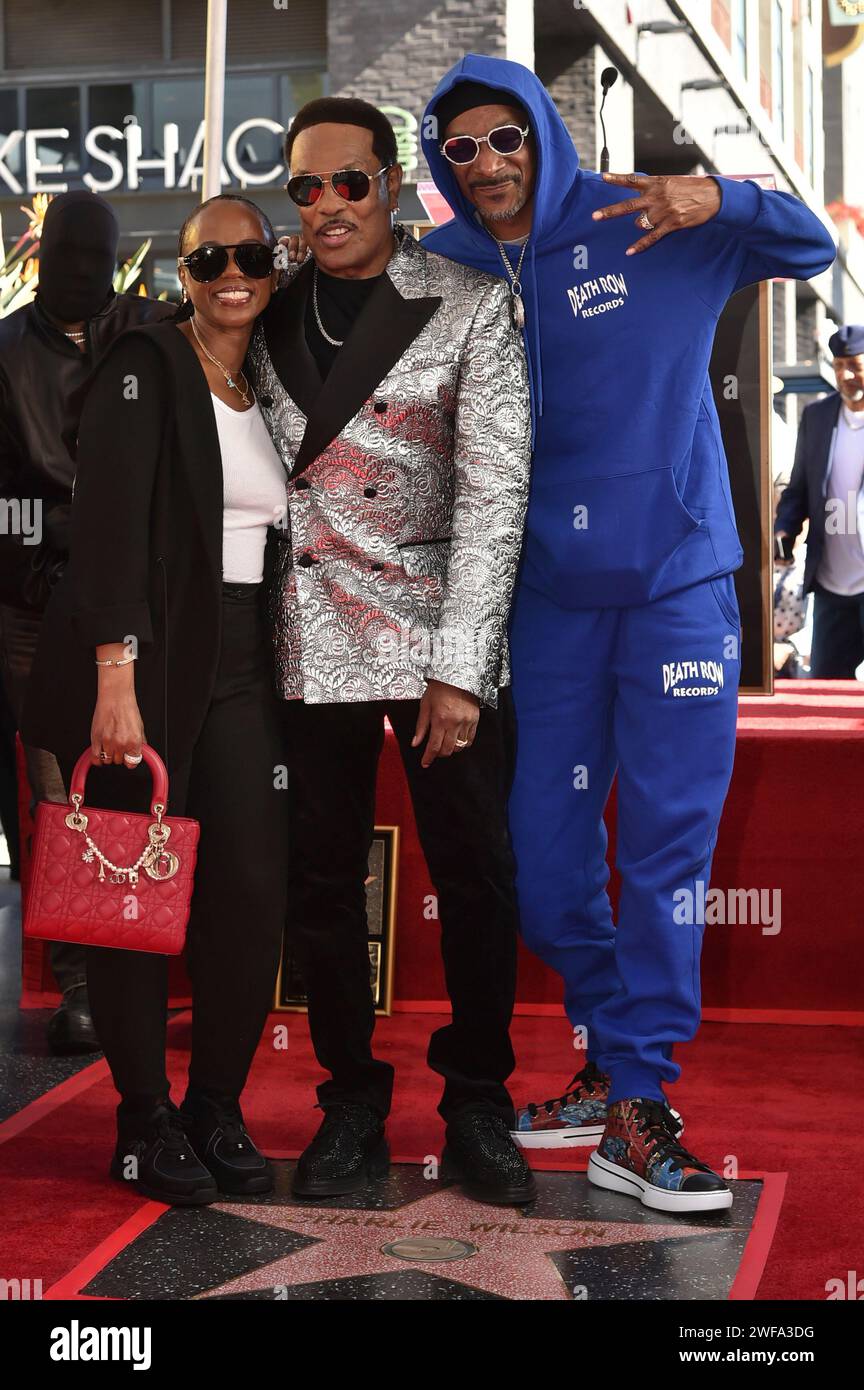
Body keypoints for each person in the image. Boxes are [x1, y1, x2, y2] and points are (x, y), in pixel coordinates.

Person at [421, 56, 836, 1212]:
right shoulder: (446, 265)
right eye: (462, 149)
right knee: (547, 870)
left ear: (541, 133)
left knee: (663, 856)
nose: (489, 164)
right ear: (439, 164)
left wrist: (728, 196)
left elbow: (813, 247)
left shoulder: (644, 215)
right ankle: (615, 1062)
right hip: (544, 602)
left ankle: (641, 1101)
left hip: (674, 589)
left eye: (506, 139)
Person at [249, 96, 534, 1205]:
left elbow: (496, 489)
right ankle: (350, 1099)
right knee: (320, 884)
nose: (326, 207)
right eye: (305, 189)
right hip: (310, 638)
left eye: (348, 183)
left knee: (476, 876)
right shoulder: (264, 311)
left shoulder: (467, 306)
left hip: (433, 643)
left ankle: (477, 1101)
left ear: (392, 184)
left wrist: (462, 666)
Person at [21, 193, 290, 1206]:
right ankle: (143, 1118)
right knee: (134, 902)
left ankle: (215, 1103)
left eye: (250, 255)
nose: (232, 271)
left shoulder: (266, 377)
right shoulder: (148, 364)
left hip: (244, 661)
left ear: (274, 266)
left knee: (250, 892)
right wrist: (114, 674)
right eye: (208, 257)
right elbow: (107, 529)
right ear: (182, 273)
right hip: (149, 661)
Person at [0, 191, 173, 1053]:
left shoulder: (150, 329)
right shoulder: (2, 352)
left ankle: (139, 966)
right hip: (35, 602)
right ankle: (80, 981)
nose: (81, 274)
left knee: (141, 781)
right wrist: (45, 548)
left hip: (144, 592)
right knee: (54, 796)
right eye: (67, 256)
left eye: (94, 258)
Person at [775, 324, 864, 677]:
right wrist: (785, 529)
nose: (845, 375)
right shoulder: (816, 416)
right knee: (825, 683)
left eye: (854, 365)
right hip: (830, 581)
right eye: (839, 364)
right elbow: (798, 488)